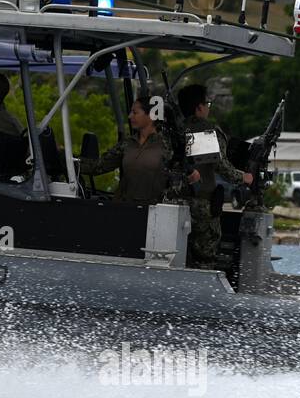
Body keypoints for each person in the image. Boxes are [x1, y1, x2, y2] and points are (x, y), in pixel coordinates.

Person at [177, 83, 253, 268]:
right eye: (207, 104)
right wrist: (244, 177)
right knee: (204, 258)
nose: (208, 108)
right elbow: (219, 165)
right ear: (199, 107)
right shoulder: (203, 130)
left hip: (176, 202)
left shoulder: (176, 130)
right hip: (201, 205)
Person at [83, 94, 173, 204]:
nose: (130, 116)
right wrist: (68, 161)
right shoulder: (127, 144)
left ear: (151, 115)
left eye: (135, 113)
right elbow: (98, 166)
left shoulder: (168, 145)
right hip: (125, 210)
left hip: (154, 213)